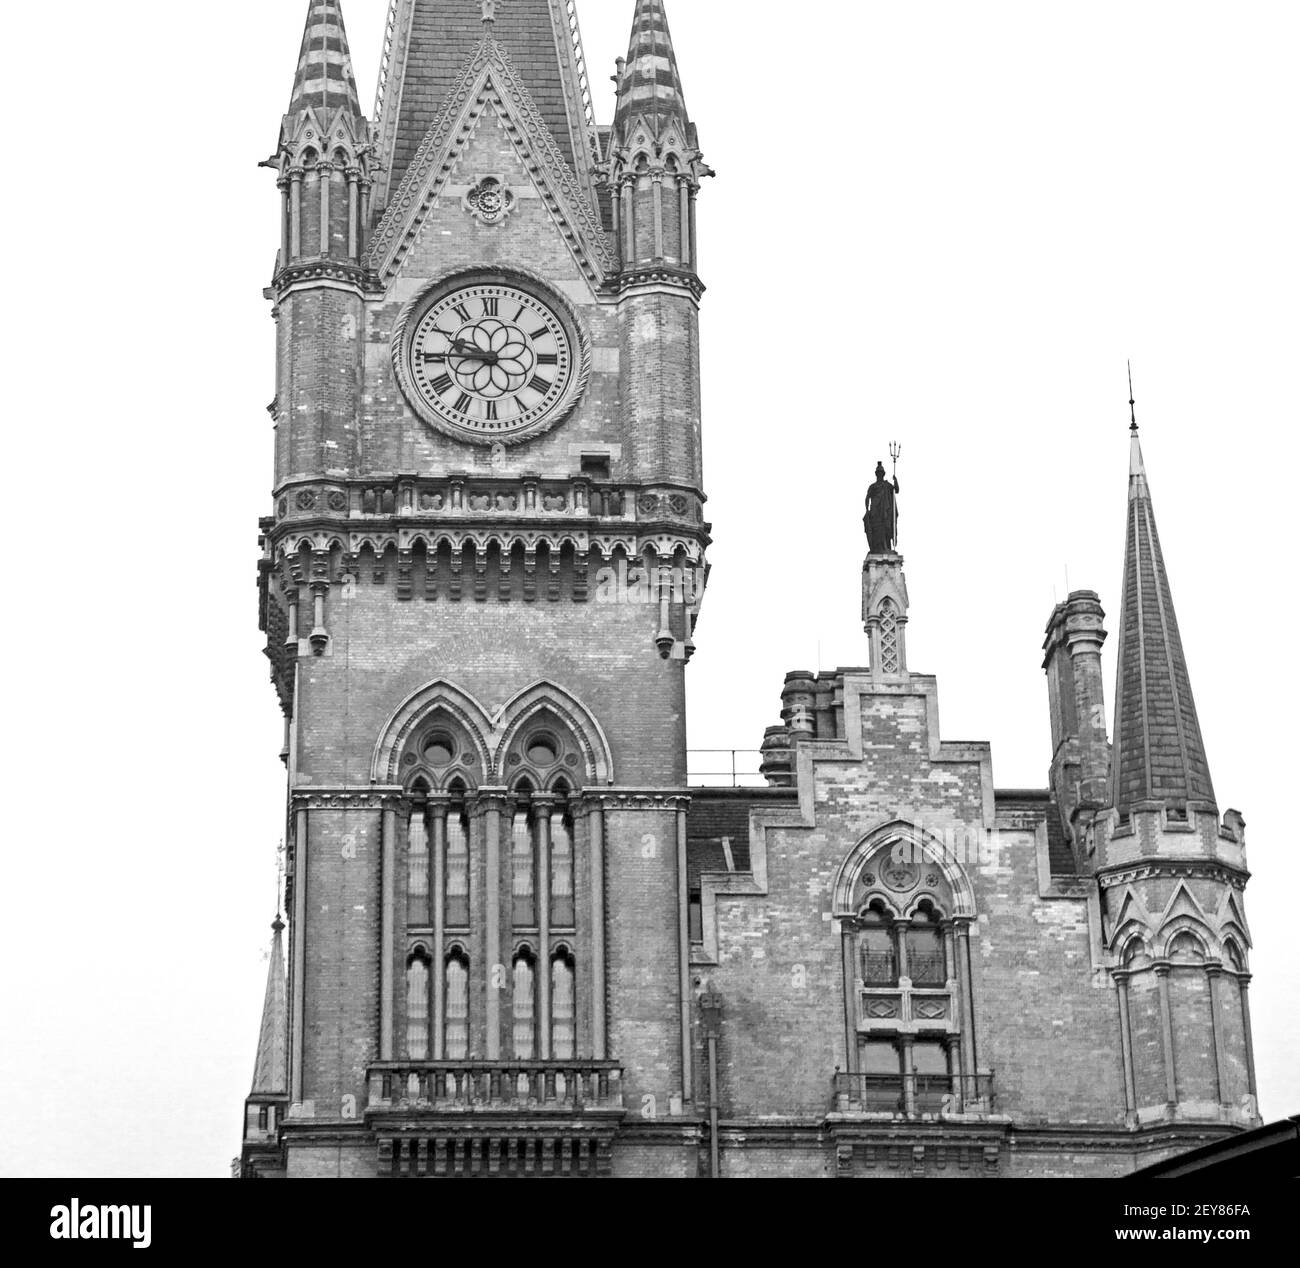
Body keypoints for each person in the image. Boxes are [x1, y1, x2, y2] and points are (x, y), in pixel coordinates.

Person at [864, 462, 900, 553]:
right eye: (878, 473)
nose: (880, 475)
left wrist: (895, 480)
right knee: (876, 528)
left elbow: (896, 490)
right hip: (875, 510)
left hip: (885, 510)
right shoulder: (873, 486)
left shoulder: (887, 485)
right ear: (876, 474)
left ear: (883, 474)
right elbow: (867, 498)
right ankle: (877, 548)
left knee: (885, 527)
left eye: (881, 473)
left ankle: (886, 547)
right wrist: (867, 510)